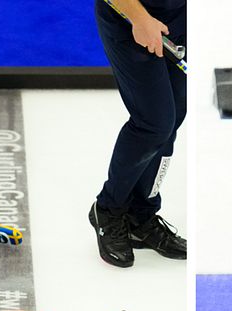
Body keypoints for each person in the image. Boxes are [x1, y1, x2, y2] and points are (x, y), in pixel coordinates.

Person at [89, 0, 187, 267]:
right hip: (130, 19)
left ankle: (140, 215)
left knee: (174, 117)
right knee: (153, 123)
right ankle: (109, 209)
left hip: (179, 16)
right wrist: (140, 19)